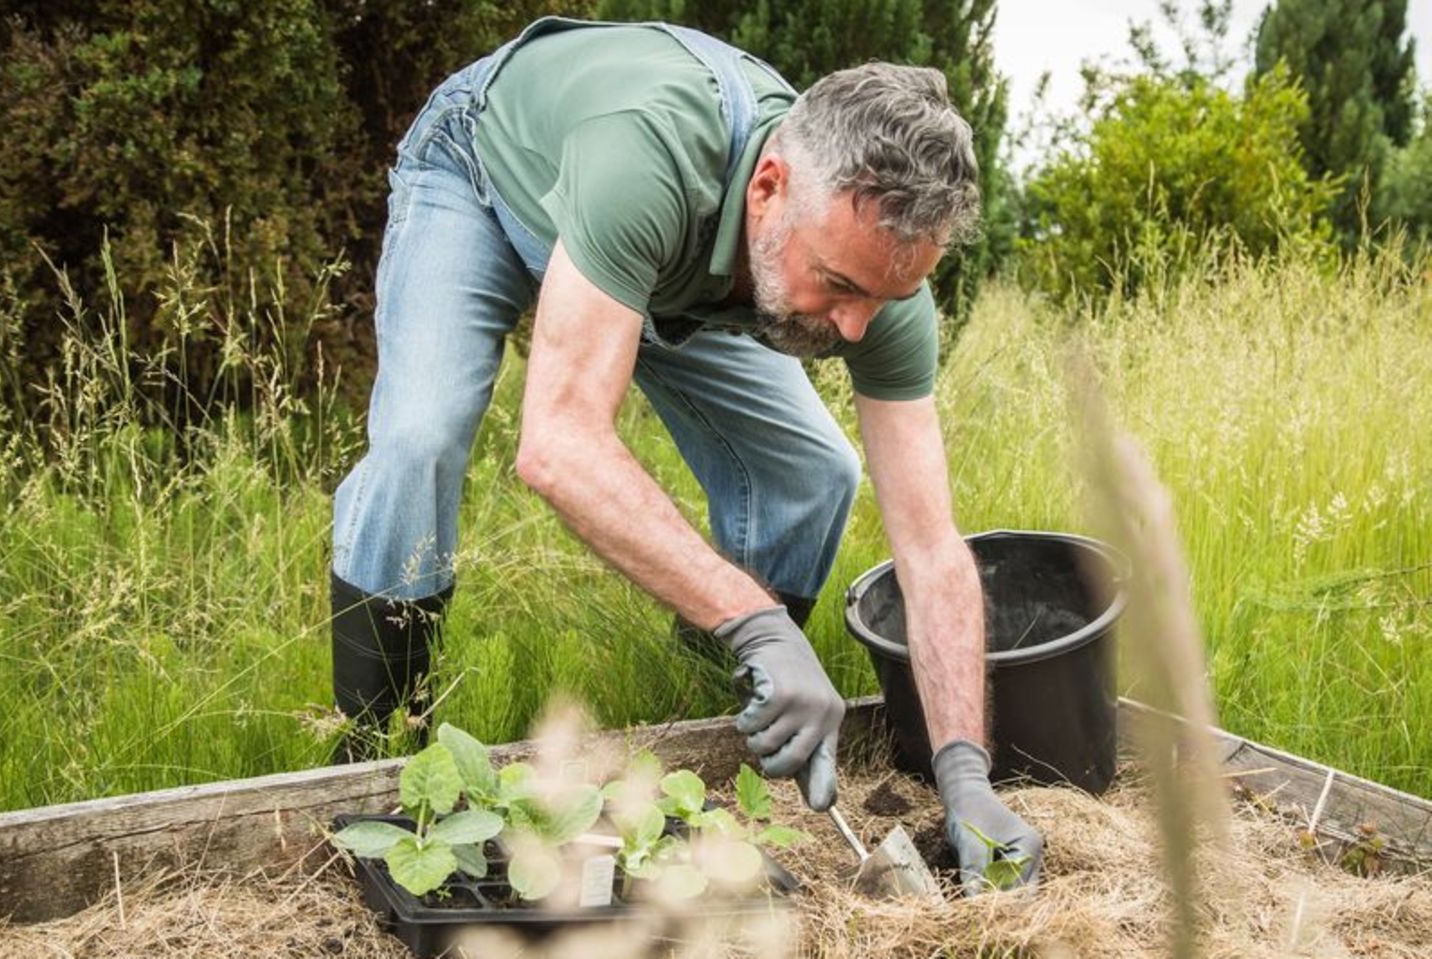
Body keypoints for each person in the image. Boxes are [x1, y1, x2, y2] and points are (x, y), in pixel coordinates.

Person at [328, 16, 1043, 893]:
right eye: (843, 287)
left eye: (883, 299)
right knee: (421, 438)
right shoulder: (648, 158)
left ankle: (722, 719)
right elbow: (557, 442)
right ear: (770, 188)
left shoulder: (869, 278)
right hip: (484, 173)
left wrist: (965, 771)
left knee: (817, 474)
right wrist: (757, 617)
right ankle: (368, 749)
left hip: (682, 273)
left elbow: (932, 546)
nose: (855, 327)